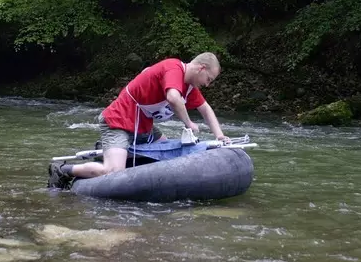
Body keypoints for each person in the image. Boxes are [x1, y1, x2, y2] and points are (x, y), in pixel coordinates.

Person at [48, 52, 228, 189]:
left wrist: (220, 136)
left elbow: (206, 109)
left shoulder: (189, 87)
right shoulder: (174, 68)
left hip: (143, 128)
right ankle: (64, 170)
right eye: (208, 79)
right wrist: (188, 123)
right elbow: (173, 97)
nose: (207, 84)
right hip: (118, 122)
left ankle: (107, 150)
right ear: (201, 68)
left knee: (169, 152)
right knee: (113, 172)